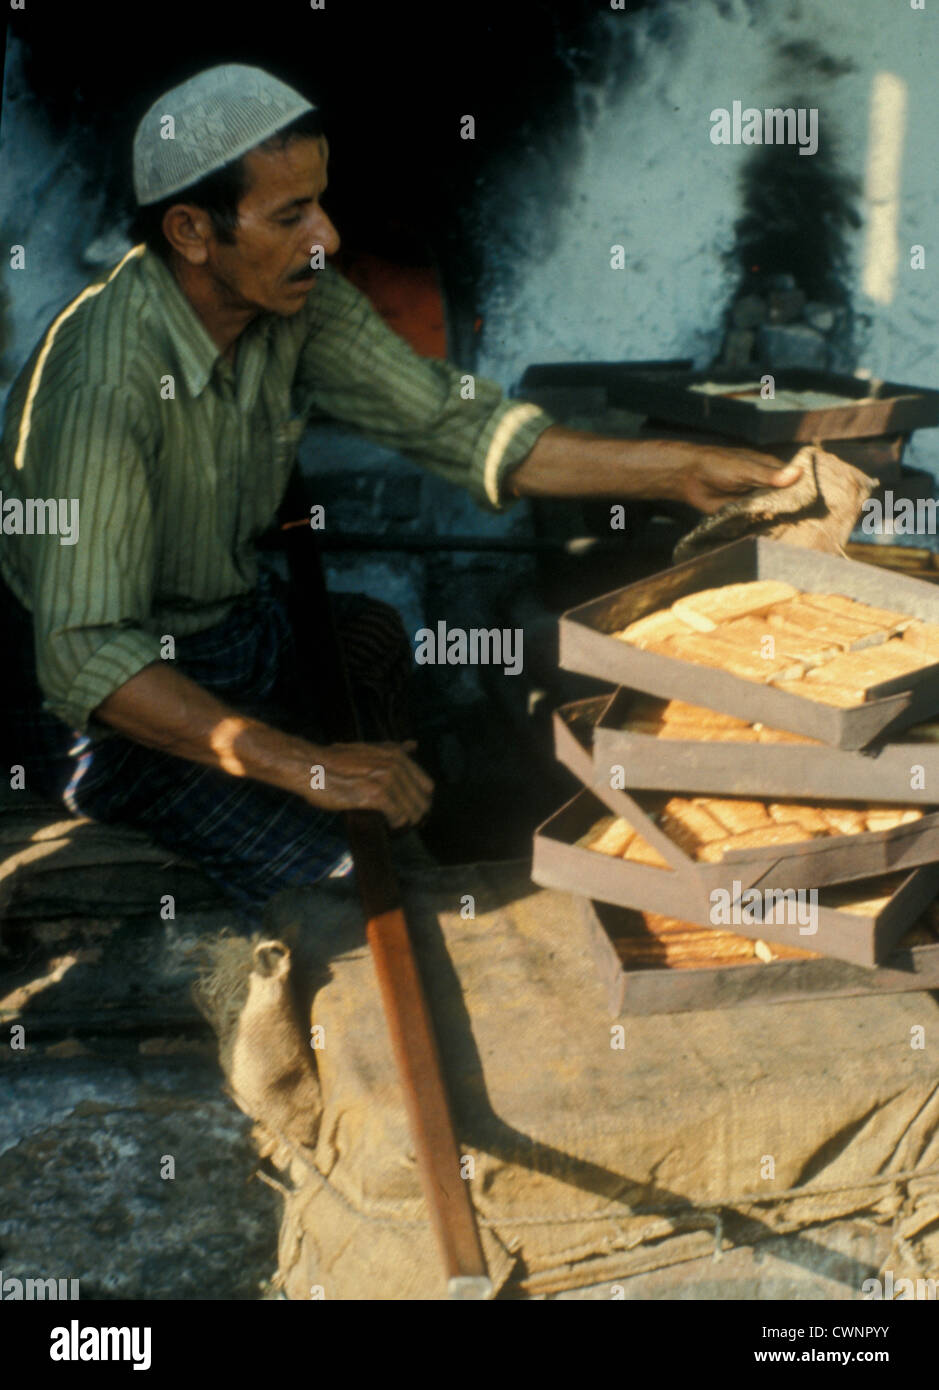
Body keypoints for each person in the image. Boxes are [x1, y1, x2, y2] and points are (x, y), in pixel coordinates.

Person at [0, 64, 801, 912]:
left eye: (320, 202)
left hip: (232, 629)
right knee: (352, 886)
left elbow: (454, 424)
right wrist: (306, 766)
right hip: (105, 710)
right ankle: (357, 852)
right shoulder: (101, 383)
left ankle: (397, 810)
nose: (328, 238)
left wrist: (676, 469)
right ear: (192, 230)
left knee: (375, 640)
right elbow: (88, 656)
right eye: (290, 215)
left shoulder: (295, 304)